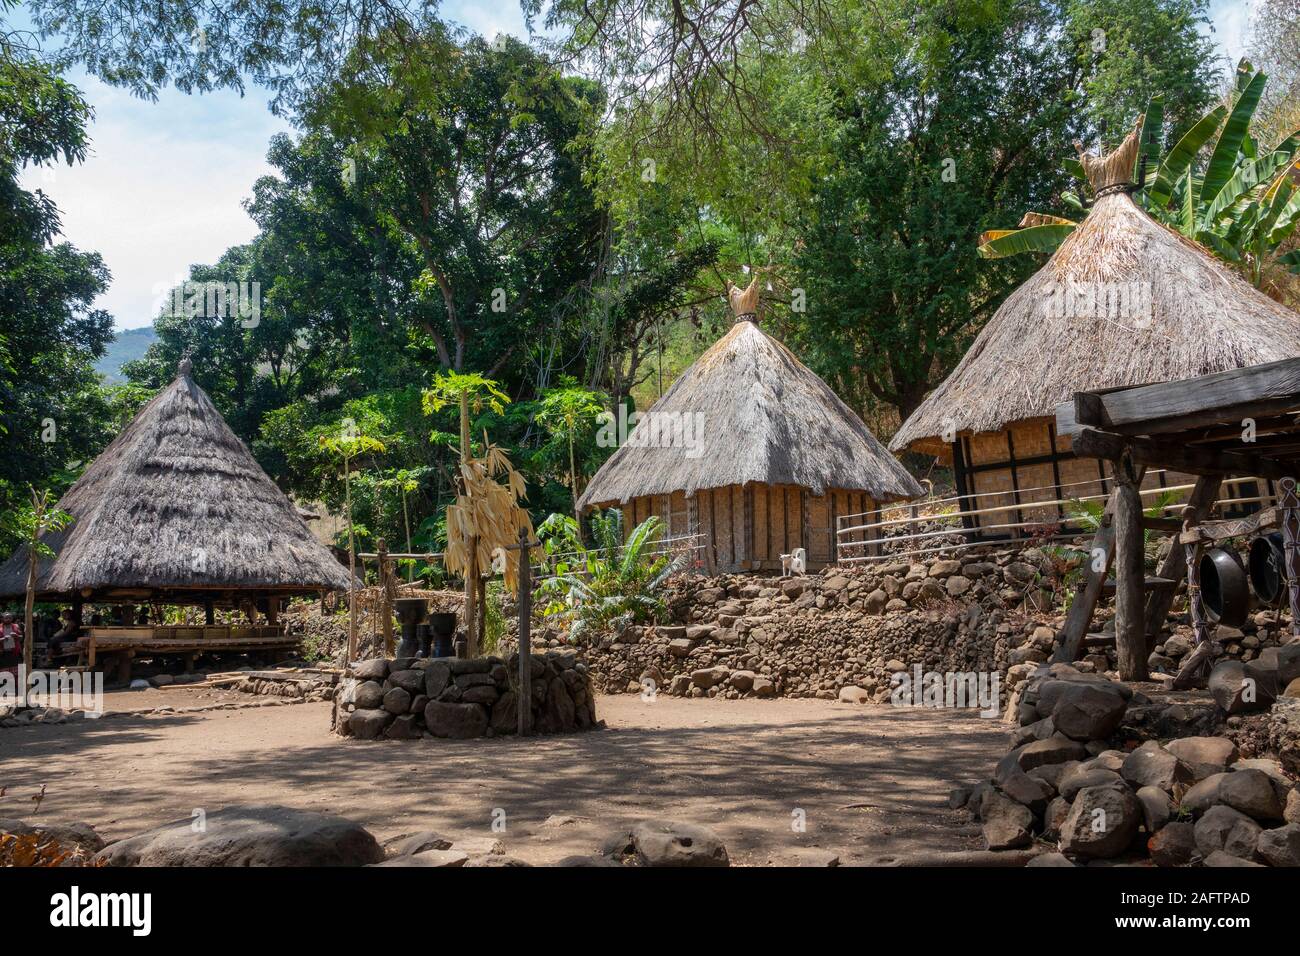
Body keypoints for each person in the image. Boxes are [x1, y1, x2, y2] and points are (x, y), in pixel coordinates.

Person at [0, 611, 23, 679]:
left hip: (14, 653)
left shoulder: (16, 626)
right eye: (6, 618)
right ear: (2, 619)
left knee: (15, 672)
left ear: (12, 618)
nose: (8, 619)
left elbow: (21, 638)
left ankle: (15, 686)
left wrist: (16, 636)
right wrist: (3, 639)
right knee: (4, 672)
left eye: (10, 617)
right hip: (3, 653)